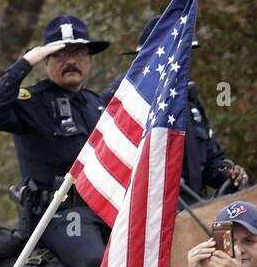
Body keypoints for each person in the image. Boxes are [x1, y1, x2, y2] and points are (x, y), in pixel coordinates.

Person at [0, 14, 111, 267]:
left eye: (78, 53)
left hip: (104, 207)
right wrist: (25, 63)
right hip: (59, 213)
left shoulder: (97, 105)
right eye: (60, 55)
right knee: (93, 259)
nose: (71, 61)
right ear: (46, 61)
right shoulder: (30, 101)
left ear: (89, 60)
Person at [100, 18, 248, 205]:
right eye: (174, 54)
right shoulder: (128, 103)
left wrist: (229, 175)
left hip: (195, 208)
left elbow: (212, 164)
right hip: (147, 212)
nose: (182, 61)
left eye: (186, 54)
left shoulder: (191, 103)